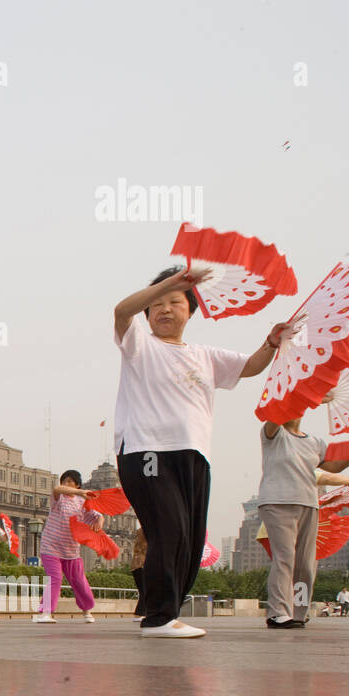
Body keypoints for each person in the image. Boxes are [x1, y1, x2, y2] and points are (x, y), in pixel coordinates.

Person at [113, 265, 286, 638]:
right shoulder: (140, 345)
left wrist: (270, 343)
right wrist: (169, 283)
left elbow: (250, 367)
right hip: (148, 451)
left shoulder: (205, 355)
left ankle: (168, 612)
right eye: (156, 303)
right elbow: (121, 312)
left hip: (193, 456)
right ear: (147, 313)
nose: (164, 309)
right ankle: (157, 618)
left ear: (190, 310)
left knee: (189, 540)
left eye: (175, 302)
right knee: (168, 529)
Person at [256, 409, 349, 629]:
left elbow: (331, 466)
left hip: (309, 504)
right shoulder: (274, 434)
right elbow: (277, 411)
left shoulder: (315, 442)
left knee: (306, 564)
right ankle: (278, 613)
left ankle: (299, 612)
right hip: (277, 503)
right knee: (285, 558)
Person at [34, 471, 101, 624]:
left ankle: (87, 610)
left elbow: (97, 516)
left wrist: (99, 522)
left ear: (77, 483)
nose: (67, 483)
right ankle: (45, 613)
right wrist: (80, 492)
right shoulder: (59, 498)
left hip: (71, 550)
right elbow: (57, 489)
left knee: (78, 580)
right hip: (51, 546)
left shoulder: (82, 503)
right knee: (55, 577)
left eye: (71, 481)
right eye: (65, 480)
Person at [131, 527, 148, 621]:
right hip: (142, 564)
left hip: (137, 565)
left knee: (144, 590)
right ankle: (140, 613)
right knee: (145, 590)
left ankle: (140, 613)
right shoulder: (147, 531)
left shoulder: (140, 531)